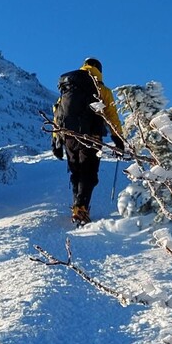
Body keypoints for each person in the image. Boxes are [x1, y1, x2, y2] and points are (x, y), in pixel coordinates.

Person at [51, 57, 126, 225]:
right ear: (99, 70)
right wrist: (118, 139)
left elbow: (58, 113)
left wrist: (56, 140)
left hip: (69, 136)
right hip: (91, 136)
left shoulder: (69, 87)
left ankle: (77, 207)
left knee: (76, 172)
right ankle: (81, 208)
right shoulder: (101, 89)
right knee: (89, 172)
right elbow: (112, 115)